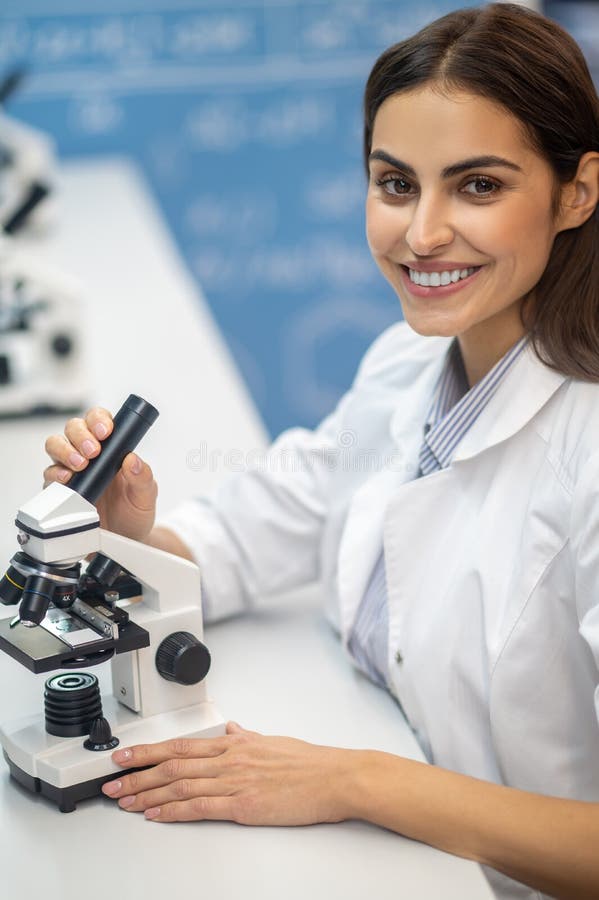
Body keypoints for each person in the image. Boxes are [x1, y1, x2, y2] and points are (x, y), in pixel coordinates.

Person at [43, 4, 599, 899]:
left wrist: (355, 781)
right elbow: (258, 528)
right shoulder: (406, 363)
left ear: (578, 190)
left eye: (477, 186)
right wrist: (128, 533)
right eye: (395, 184)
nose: (422, 234)